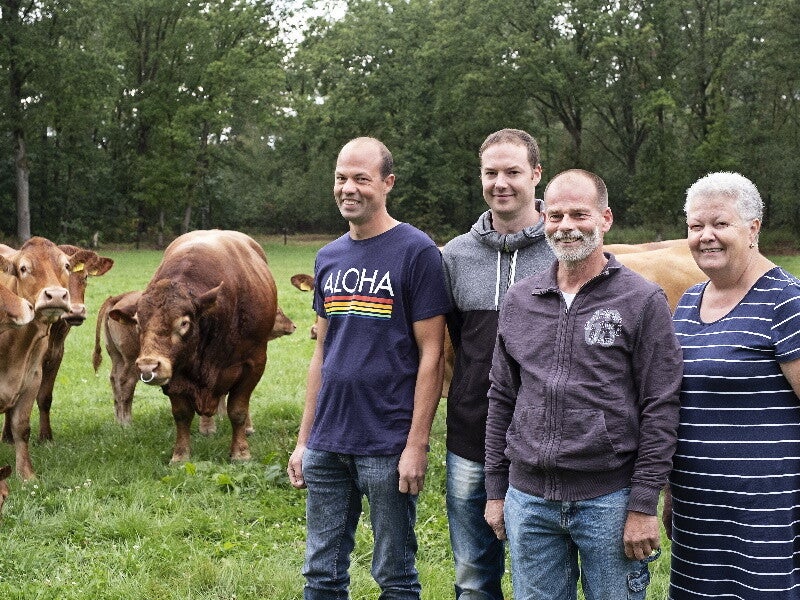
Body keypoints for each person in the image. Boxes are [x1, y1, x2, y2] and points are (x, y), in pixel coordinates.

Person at [484, 168, 683, 600]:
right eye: (555, 215)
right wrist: (497, 491)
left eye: (580, 214)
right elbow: (502, 397)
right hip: (529, 499)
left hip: (609, 499)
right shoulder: (520, 301)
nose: (566, 226)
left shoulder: (642, 300)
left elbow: (661, 406)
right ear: (542, 220)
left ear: (605, 218)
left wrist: (643, 503)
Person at [287, 136, 451, 599]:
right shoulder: (328, 257)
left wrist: (416, 444)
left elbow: (432, 355)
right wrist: (304, 441)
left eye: (361, 178)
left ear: (387, 183)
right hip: (327, 443)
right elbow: (322, 352)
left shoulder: (416, 251)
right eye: (341, 178)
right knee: (321, 573)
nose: (349, 188)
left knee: (394, 576)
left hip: (387, 442)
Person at [663, 172, 800, 599]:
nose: (706, 236)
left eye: (720, 224)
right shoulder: (687, 303)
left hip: (768, 515)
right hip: (698, 513)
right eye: (695, 226)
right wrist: (669, 492)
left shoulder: (786, 301)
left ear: (753, 227)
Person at [440, 128, 554, 599]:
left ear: (536, 175)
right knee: (473, 579)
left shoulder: (563, 247)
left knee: (543, 579)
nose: (500, 182)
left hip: (546, 440)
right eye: (491, 173)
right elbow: (445, 345)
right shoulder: (454, 256)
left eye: (513, 171)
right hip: (470, 434)